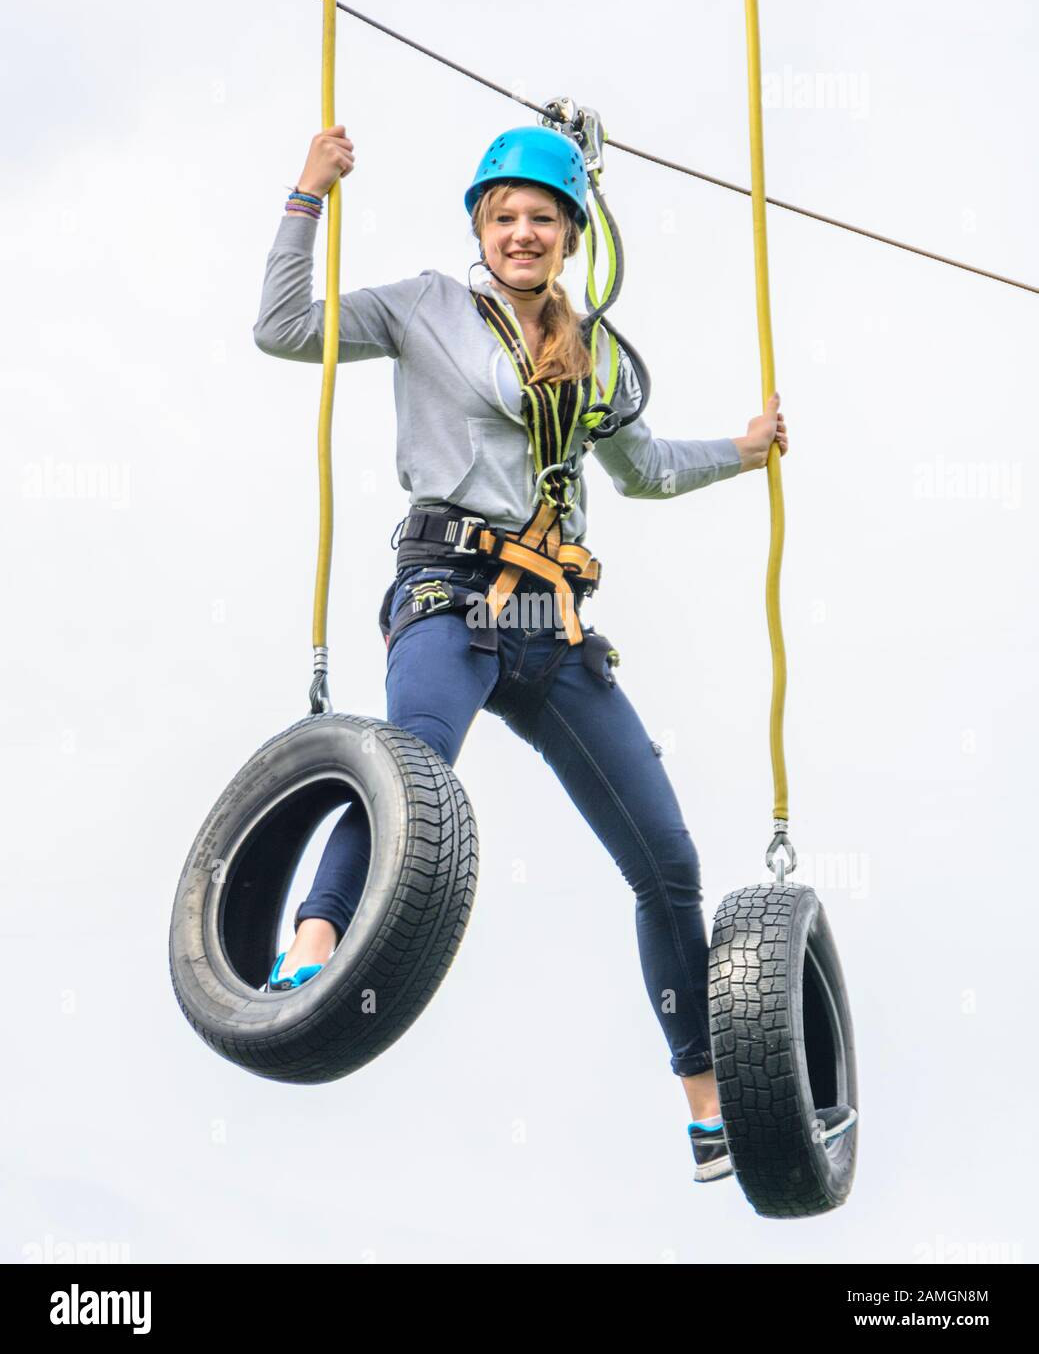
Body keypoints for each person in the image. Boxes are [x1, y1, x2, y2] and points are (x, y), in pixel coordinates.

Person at [252, 123, 790, 1181]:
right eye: (503, 217)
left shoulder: (590, 352)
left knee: (667, 863)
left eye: (542, 218)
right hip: (447, 593)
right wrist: (306, 196)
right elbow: (281, 329)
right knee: (411, 772)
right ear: (478, 228)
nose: (521, 233)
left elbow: (641, 470)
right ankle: (309, 946)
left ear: (571, 234)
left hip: (552, 624)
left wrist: (741, 450)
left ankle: (704, 1100)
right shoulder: (421, 307)